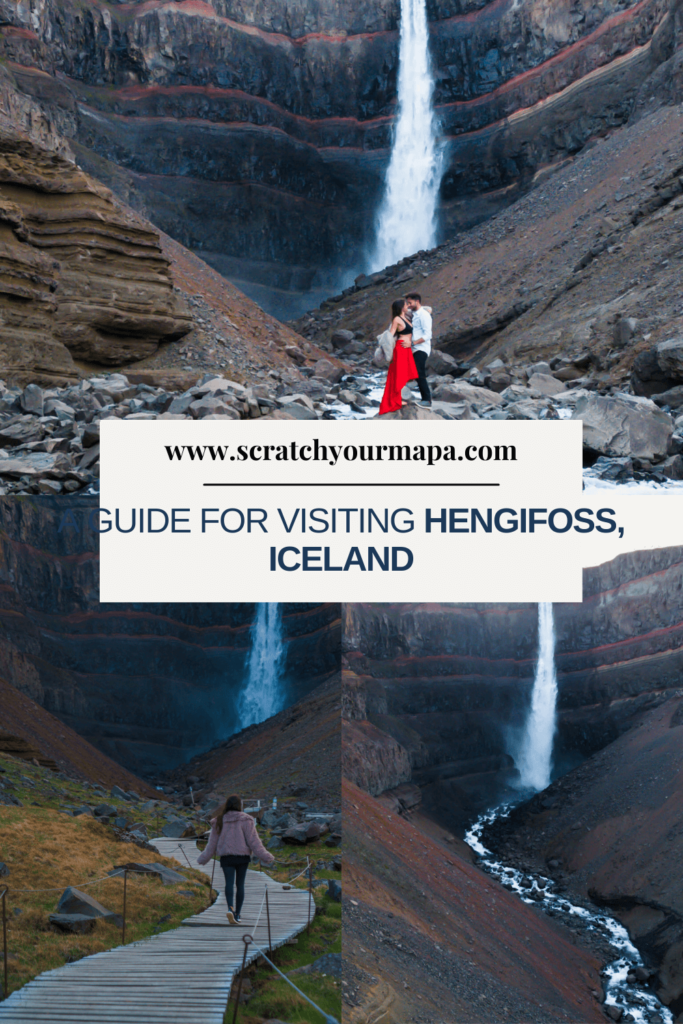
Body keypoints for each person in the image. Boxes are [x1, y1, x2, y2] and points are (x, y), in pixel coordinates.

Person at [197, 794, 275, 924]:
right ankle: (238, 914)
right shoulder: (246, 820)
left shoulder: (219, 820)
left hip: (226, 858)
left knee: (228, 883)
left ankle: (230, 909)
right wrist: (266, 857)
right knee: (240, 885)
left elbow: (212, 844)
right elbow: (254, 842)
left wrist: (202, 859)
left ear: (227, 805)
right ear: (240, 805)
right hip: (242, 858)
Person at [379, 298, 418, 415]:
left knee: (404, 374)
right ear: (401, 307)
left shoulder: (406, 318)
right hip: (400, 349)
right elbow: (389, 336)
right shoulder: (397, 319)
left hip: (407, 349)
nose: (408, 306)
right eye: (406, 305)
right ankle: (396, 400)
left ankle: (398, 398)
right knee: (398, 374)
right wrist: (385, 347)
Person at [405, 292, 432, 406]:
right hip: (413, 349)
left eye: (410, 303)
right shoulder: (414, 315)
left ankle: (427, 399)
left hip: (421, 348)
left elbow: (428, 335)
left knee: (418, 371)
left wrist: (413, 342)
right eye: (407, 303)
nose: (408, 305)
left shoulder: (424, 315)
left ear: (417, 301)